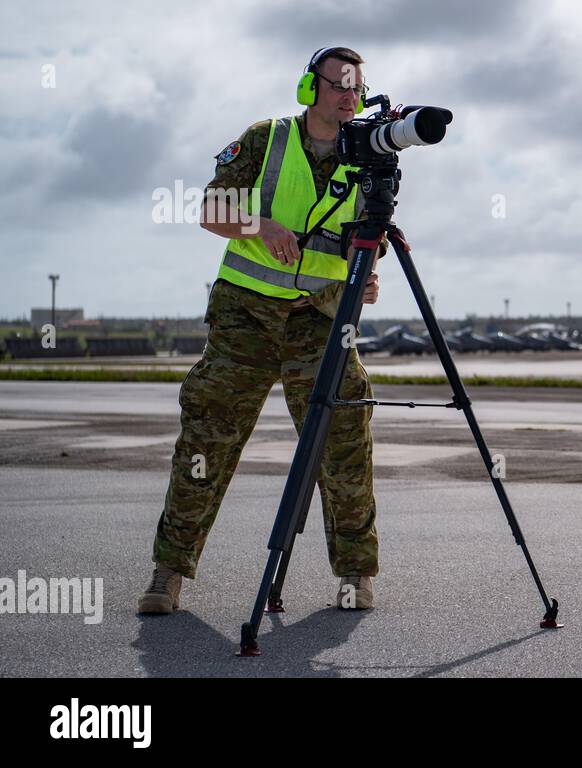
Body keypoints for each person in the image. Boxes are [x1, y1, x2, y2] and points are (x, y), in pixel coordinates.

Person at [139, 46, 384, 615]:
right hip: (245, 317)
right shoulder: (264, 139)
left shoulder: (367, 153)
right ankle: (167, 572)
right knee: (207, 440)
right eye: (339, 85)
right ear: (310, 88)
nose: (350, 96)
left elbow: (364, 236)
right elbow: (209, 209)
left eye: (358, 86)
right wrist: (262, 223)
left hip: (321, 321)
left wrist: (365, 279)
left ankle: (355, 574)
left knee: (345, 442)